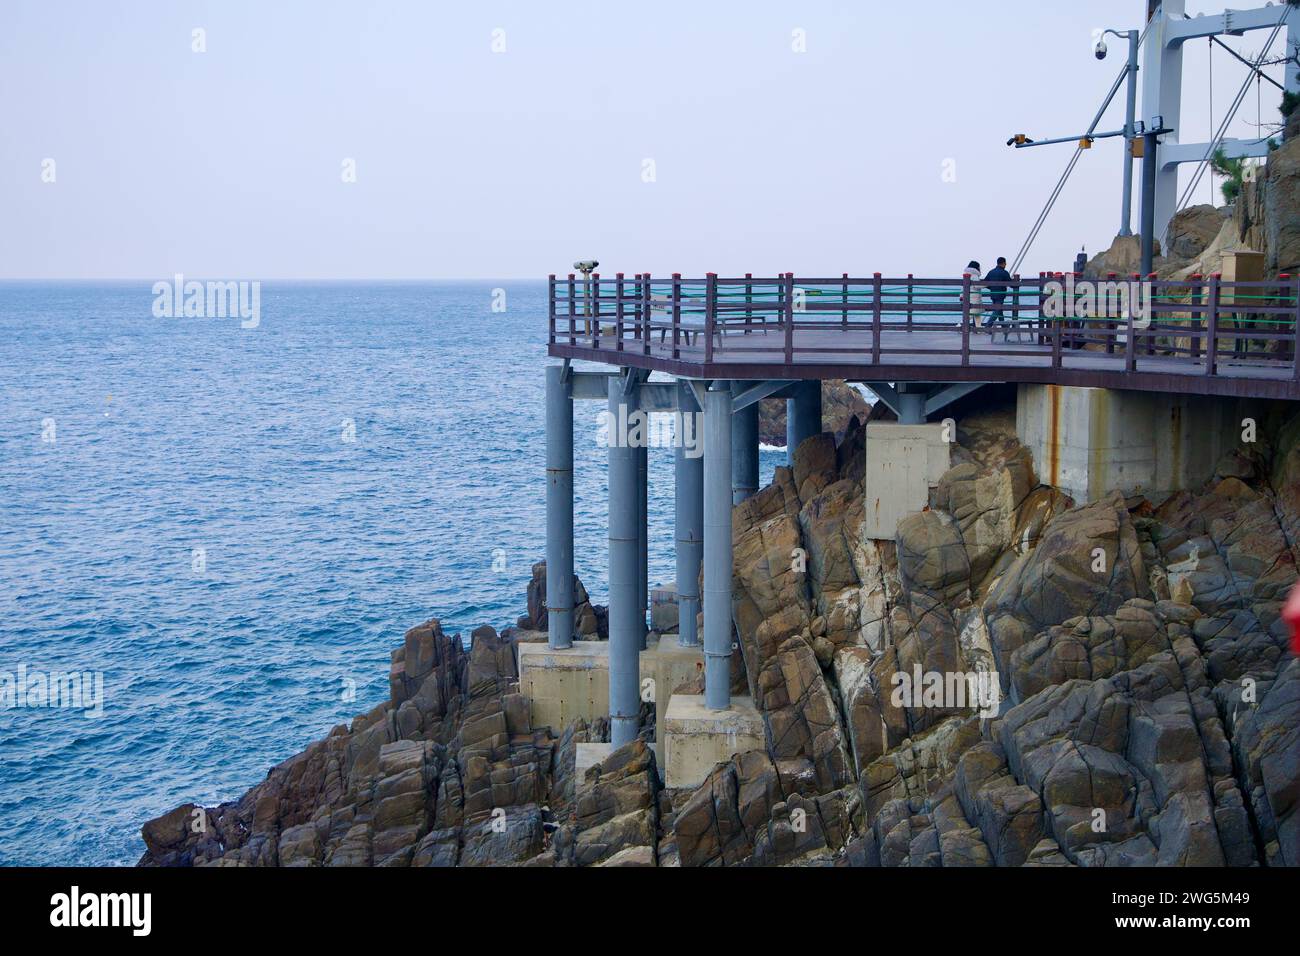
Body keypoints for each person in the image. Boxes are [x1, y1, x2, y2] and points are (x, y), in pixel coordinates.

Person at [984, 257, 1012, 337]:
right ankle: (988, 326)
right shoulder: (1004, 272)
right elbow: (1011, 284)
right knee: (997, 311)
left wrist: (992, 288)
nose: (1006, 264)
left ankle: (1004, 328)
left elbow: (985, 283)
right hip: (1001, 295)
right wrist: (1017, 283)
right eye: (1005, 263)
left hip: (993, 294)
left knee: (999, 311)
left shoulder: (991, 272)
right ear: (1003, 263)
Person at [962, 260, 982, 330]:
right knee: (972, 314)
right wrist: (986, 285)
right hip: (974, 298)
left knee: (977, 314)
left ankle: (979, 329)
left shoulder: (966, 274)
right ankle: (960, 326)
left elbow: (963, 287)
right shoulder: (975, 275)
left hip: (968, 297)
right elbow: (977, 286)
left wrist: (961, 296)